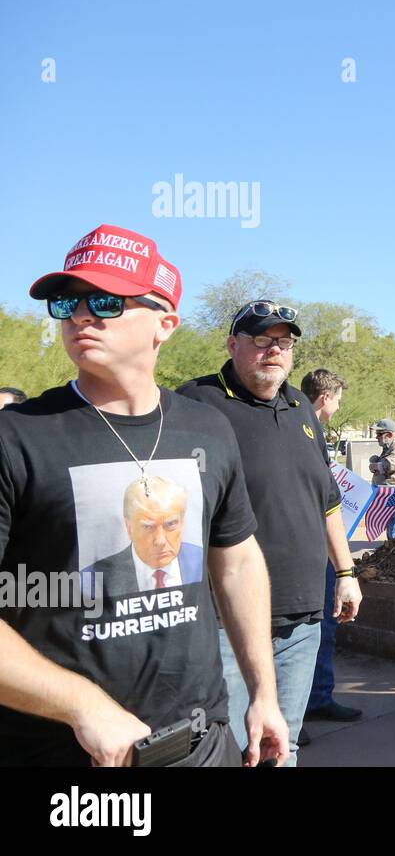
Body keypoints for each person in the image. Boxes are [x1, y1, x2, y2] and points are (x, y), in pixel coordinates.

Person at [0, 224, 288, 767]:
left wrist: (263, 693)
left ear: (164, 324)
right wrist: (82, 704)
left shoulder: (207, 429)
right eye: (67, 302)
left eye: (106, 301)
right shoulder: (16, 437)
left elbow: (237, 560)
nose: (81, 316)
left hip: (202, 743)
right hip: (68, 755)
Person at [177, 301, 362, 765]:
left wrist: (345, 572)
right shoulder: (195, 402)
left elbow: (327, 498)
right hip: (226, 620)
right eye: (262, 339)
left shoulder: (300, 407)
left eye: (284, 342)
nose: (274, 350)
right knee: (230, 748)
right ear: (232, 344)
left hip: (302, 615)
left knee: (284, 744)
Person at [298, 368, 363, 730]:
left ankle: (318, 697)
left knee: (326, 622)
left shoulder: (311, 432)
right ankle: (292, 714)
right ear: (325, 398)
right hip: (306, 544)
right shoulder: (298, 430)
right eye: (338, 399)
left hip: (320, 541)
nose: (338, 406)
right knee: (300, 632)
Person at [83, 475, 203, 597]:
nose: (160, 540)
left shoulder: (201, 559)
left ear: (182, 523)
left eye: (171, 524)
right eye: (148, 527)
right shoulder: (93, 577)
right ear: (129, 527)